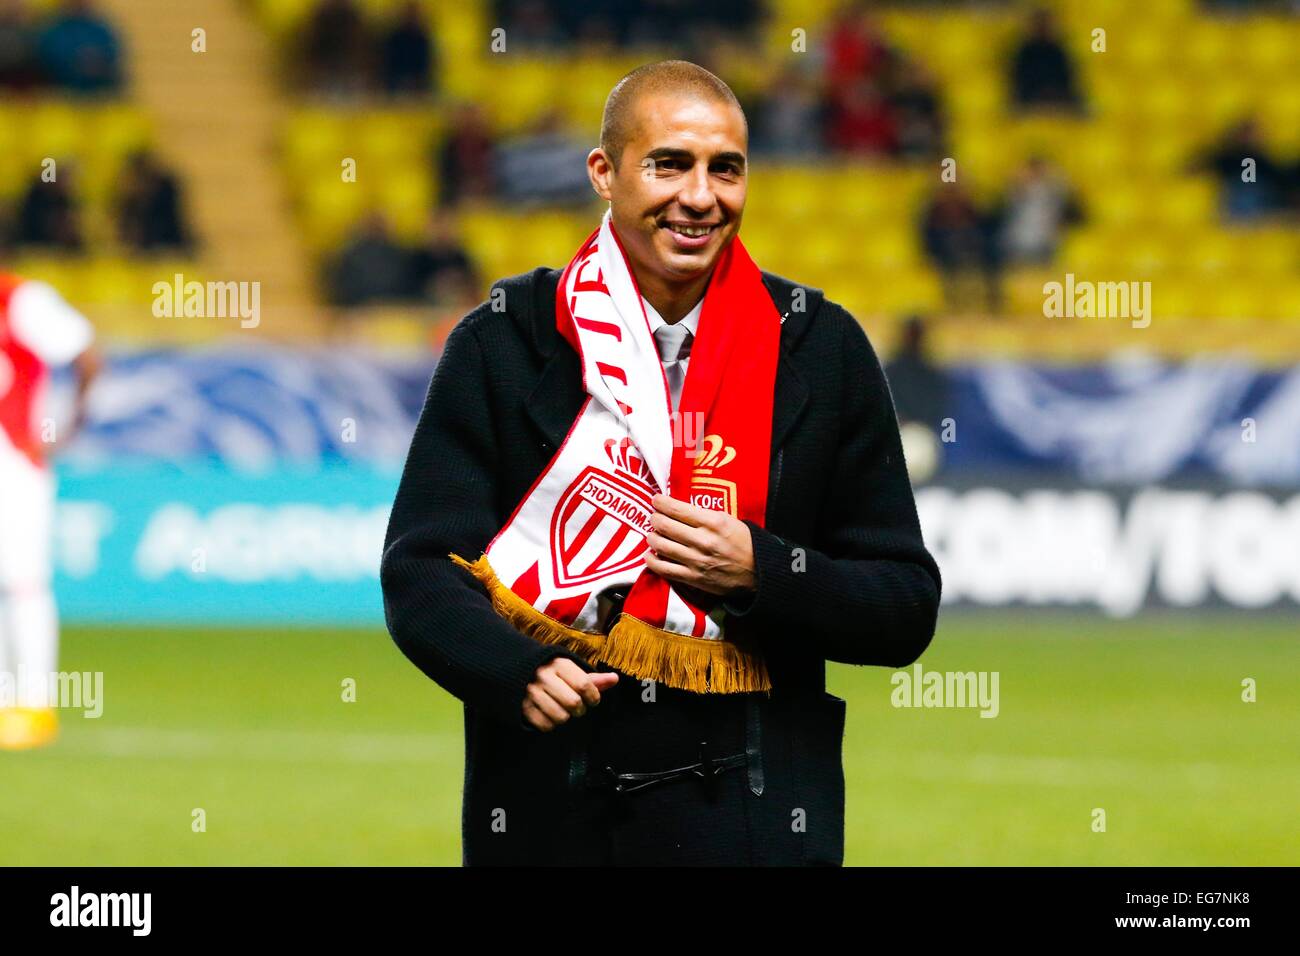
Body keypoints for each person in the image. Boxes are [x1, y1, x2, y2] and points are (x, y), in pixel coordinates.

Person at [381, 60, 941, 866]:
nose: (700, 196)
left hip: (756, 816)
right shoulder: (506, 338)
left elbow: (904, 605)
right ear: (604, 173)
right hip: (554, 809)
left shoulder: (821, 347)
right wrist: (514, 669)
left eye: (727, 168)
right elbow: (419, 569)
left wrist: (764, 570)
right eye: (669, 164)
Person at [0, 273, 101, 749]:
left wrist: (68, 425)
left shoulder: (20, 299)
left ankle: (36, 704)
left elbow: (85, 352)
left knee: (24, 583)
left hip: (13, 467)